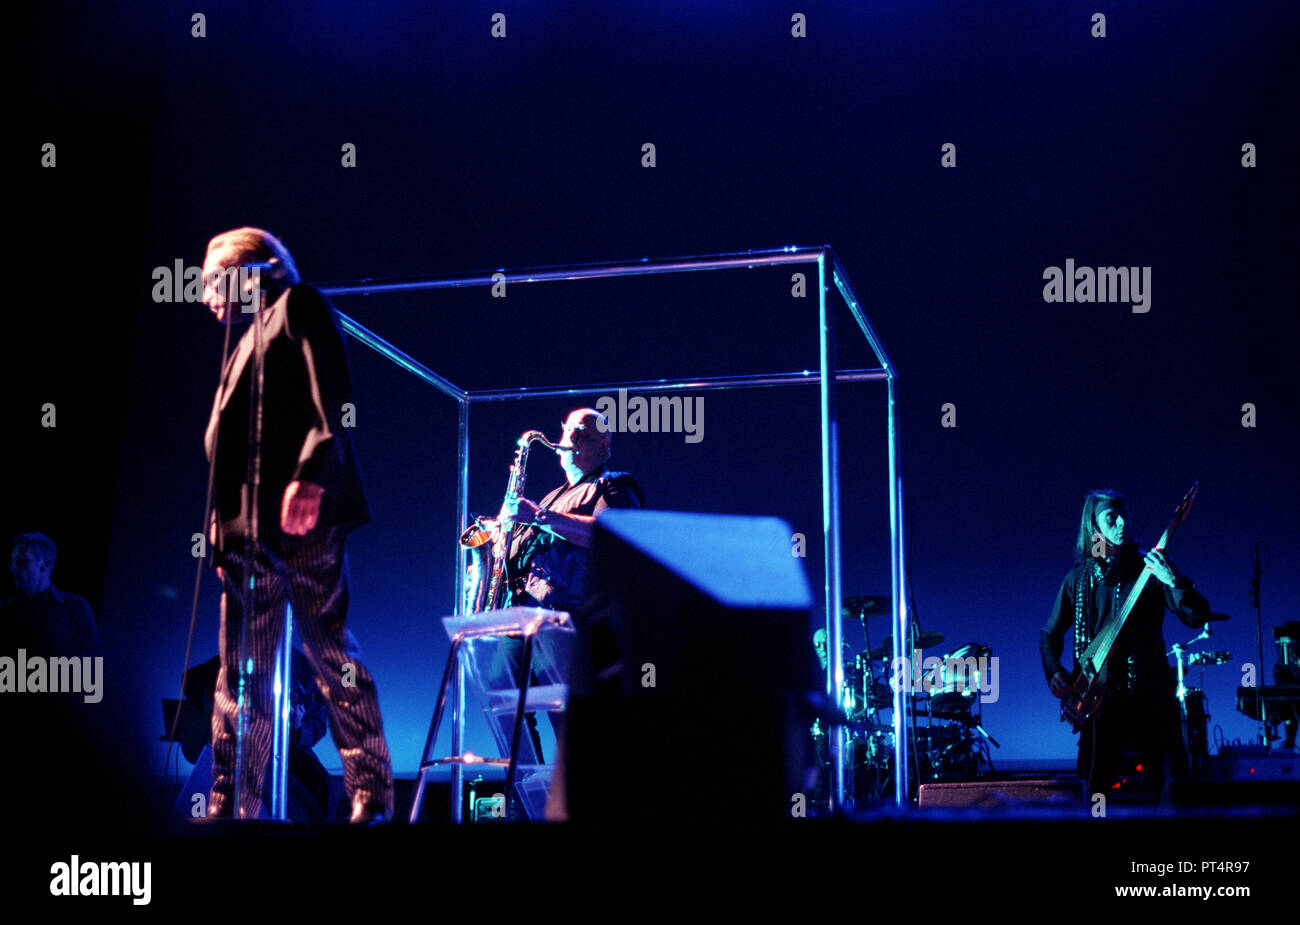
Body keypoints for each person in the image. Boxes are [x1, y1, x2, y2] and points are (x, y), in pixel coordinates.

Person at [200, 227, 392, 822]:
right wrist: (216, 521)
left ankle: (371, 788)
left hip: (298, 517)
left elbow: (330, 396)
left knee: (328, 651)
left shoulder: (297, 306)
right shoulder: (243, 343)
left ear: (247, 272)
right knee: (240, 673)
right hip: (243, 531)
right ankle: (235, 795)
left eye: (212, 281)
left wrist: (310, 476)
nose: (206, 295)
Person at [1041, 489, 1211, 799]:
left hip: (1152, 699)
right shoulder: (1076, 580)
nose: (1122, 523)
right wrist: (1054, 671)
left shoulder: (1151, 567)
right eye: (1111, 518)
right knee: (1095, 791)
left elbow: (1197, 616)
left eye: (1124, 516)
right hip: (1098, 704)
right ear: (1095, 528)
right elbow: (1049, 637)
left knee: (1169, 788)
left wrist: (1176, 580)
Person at [2, 532, 103, 657]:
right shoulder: (7, 609)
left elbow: (93, 658)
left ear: (45, 564)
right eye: (13, 562)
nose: (12, 567)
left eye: (21, 562)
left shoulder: (76, 607)